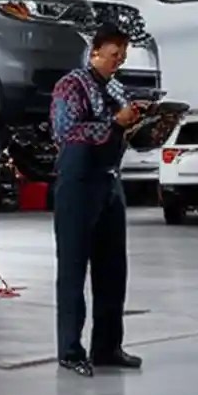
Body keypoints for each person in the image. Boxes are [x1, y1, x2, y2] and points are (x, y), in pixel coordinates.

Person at [49, 24, 144, 377]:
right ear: (95, 53)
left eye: (123, 55)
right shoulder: (70, 85)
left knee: (113, 270)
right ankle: (70, 351)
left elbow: (122, 131)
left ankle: (107, 347)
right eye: (114, 54)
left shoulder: (117, 88)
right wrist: (114, 123)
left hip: (109, 183)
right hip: (78, 184)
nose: (119, 61)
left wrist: (141, 124)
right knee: (73, 270)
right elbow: (65, 130)